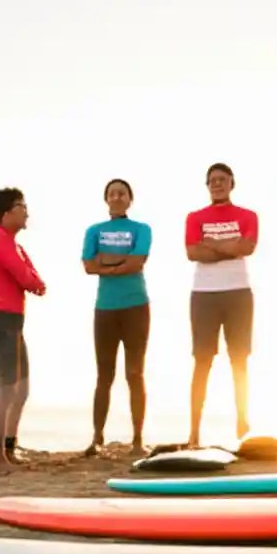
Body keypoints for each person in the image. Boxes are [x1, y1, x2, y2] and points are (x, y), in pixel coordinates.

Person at [184, 163, 258, 446]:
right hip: (205, 293)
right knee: (202, 361)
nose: (217, 184)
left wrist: (211, 244)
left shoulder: (247, 215)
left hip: (238, 292)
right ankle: (194, 431)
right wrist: (229, 245)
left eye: (222, 179)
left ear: (231, 183)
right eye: (212, 180)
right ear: (207, 185)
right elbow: (193, 252)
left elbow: (246, 247)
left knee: (239, 360)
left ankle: (242, 425)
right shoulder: (195, 217)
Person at [82, 178, 152, 458]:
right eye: (112, 193)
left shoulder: (141, 229)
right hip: (105, 309)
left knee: (135, 374)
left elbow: (137, 262)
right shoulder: (94, 230)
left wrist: (106, 263)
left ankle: (138, 439)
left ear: (129, 199)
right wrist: (119, 264)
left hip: (136, 306)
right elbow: (88, 265)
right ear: (106, 199)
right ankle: (97, 438)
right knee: (104, 375)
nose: (117, 197)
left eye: (122, 193)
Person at [0, 187, 45, 473]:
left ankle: (9, 448)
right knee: (5, 393)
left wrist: (34, 282)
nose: (27, 212)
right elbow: (27, 279)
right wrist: (33, 282)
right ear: (7, 213)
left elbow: (34, 277)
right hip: (1, 324)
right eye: (22, 206)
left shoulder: (14, 245)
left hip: (13, 326)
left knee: (21, 390)